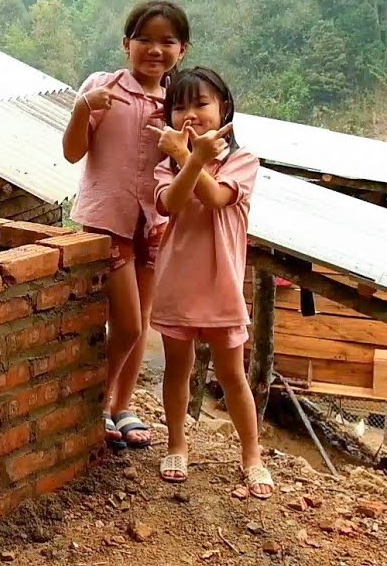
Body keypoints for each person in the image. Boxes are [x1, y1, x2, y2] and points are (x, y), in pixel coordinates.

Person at [62, 0, 190, 449]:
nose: (155, 50)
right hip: (108, 221)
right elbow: (73, 152)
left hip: (155, 222)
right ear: (126, 44)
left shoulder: (180, 102)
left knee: (143, 320)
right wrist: (82, 108)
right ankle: (98, 404)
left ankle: (122, 405)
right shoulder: (102, 87)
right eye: (145, 40)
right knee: (130, 325)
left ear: (183, 50)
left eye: (167, 41)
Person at [147, 67, 273, 499]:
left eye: (201, 104)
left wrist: (190, 156)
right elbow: (171, 203)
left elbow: (217, 197)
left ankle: (252, 455)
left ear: (225, 109)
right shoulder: (165, 166)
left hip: (221, 289)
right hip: (178, 284)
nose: (190, 114)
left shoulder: (243, 161)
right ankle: (177, 444)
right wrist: (186, 158)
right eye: (179, 105)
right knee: (177, 370)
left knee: (232, 375)